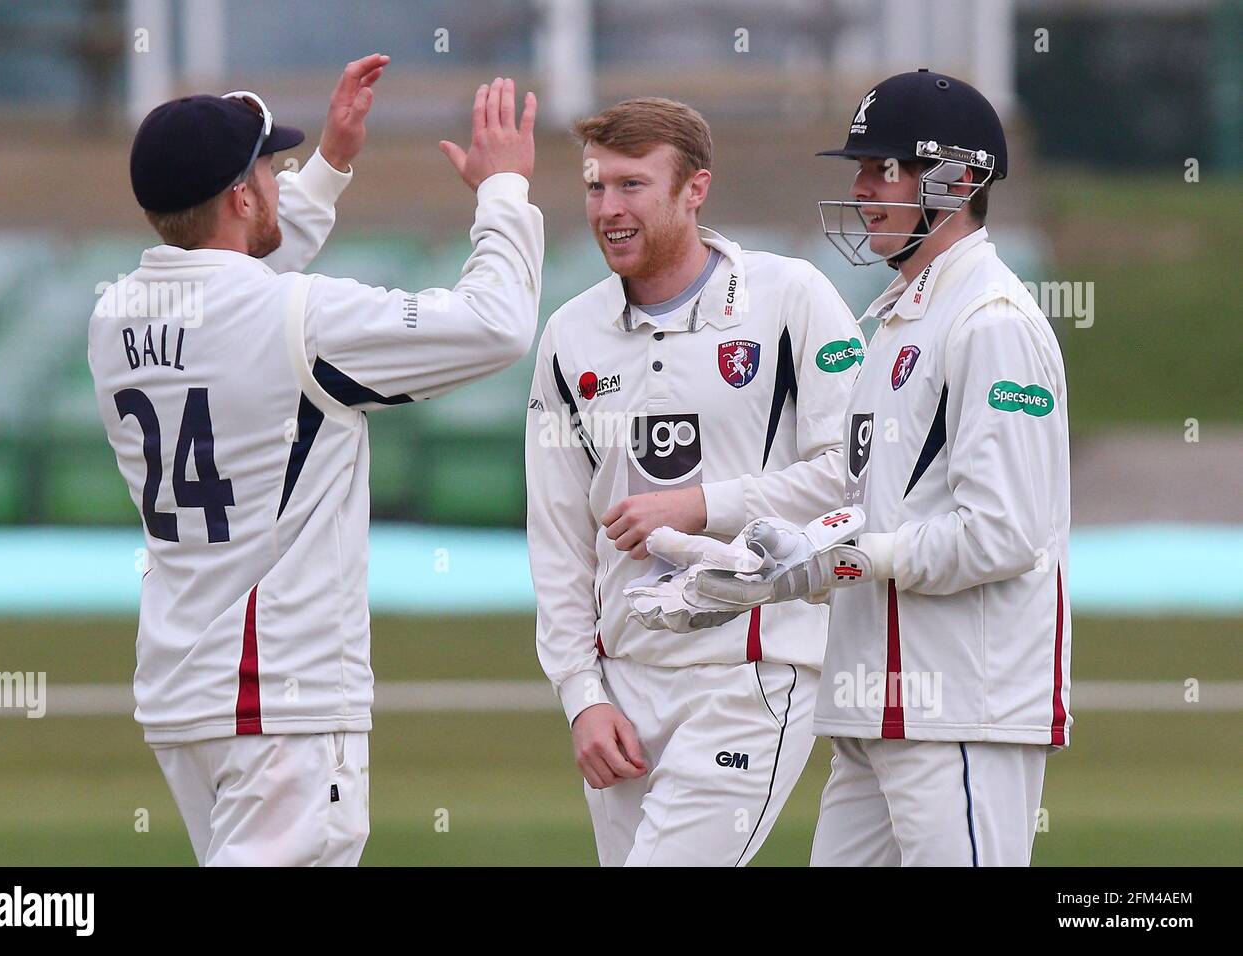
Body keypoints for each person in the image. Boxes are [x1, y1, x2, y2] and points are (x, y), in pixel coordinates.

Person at [89, 61, 543, 866]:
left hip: (182, 689)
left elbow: (234, 268)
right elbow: (497, 325)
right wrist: (503, 192)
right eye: (270, 169)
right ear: (240, 196)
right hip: (278, 696)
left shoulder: (113, 314)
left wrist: (330, 166)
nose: (277, 179)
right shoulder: (298, 315)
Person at [637, 70, 1072, 867]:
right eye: (861, 171)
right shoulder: (899, 322)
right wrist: (760, 564)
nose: (864, 189)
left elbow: (1005, 533)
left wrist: (845, 560)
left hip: (959, 711)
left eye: (885, 169)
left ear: (958, 179)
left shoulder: (992, 324)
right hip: (873, 706)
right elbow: (866, 509)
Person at [524, 97, 859, 865]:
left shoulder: (790, 298)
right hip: (622, 689)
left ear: (694, 189)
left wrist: (703, 506)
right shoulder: (569, 332)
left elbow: (853, 475)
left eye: (632, 185)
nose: (608, 209)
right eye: (596, 187)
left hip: (748, 675)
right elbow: (556, 532)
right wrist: (582, 696)